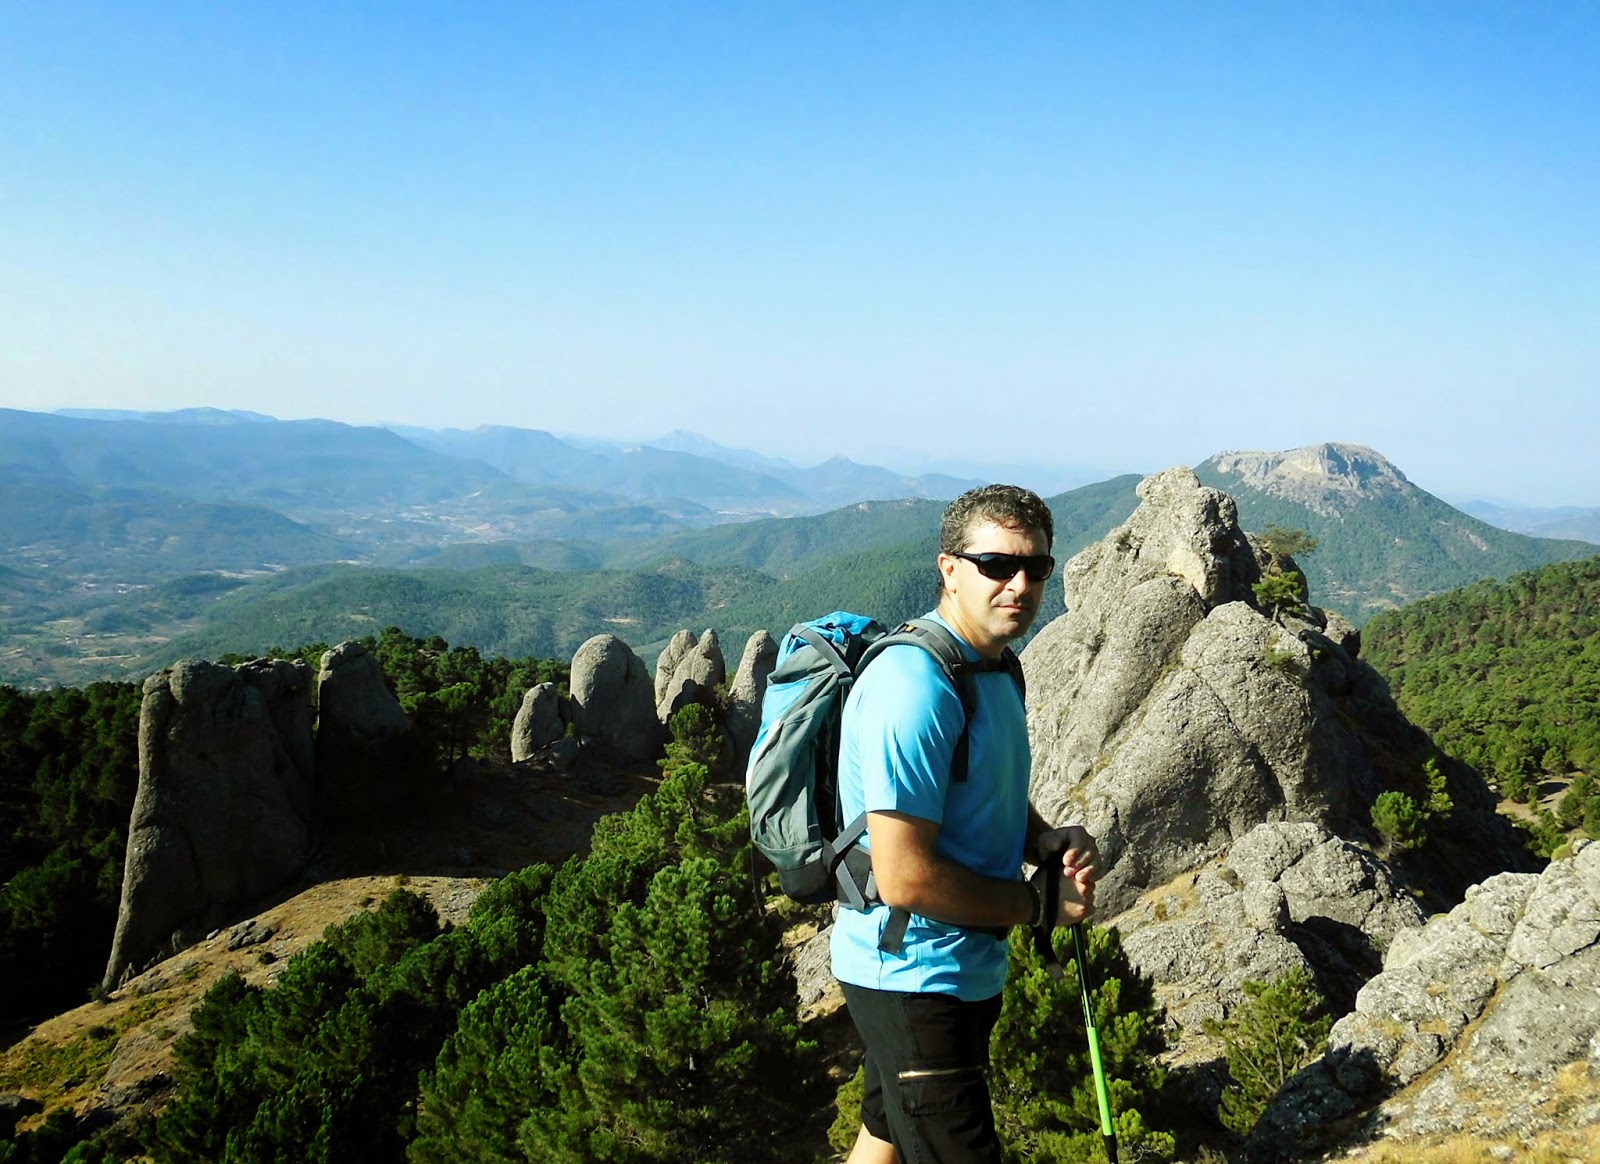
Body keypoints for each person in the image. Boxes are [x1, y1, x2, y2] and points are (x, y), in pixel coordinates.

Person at [831, 483, 1100, 1164]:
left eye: (1036, 568)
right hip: (913, 978)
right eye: (997, 565)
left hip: (952, 971)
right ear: (949, 567)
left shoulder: (996, 668)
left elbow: (981, 794)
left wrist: (1041, 837)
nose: (1020, 584)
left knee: (884, 1138)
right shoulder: (914, 687)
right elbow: (904, 877)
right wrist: (1039, 905)